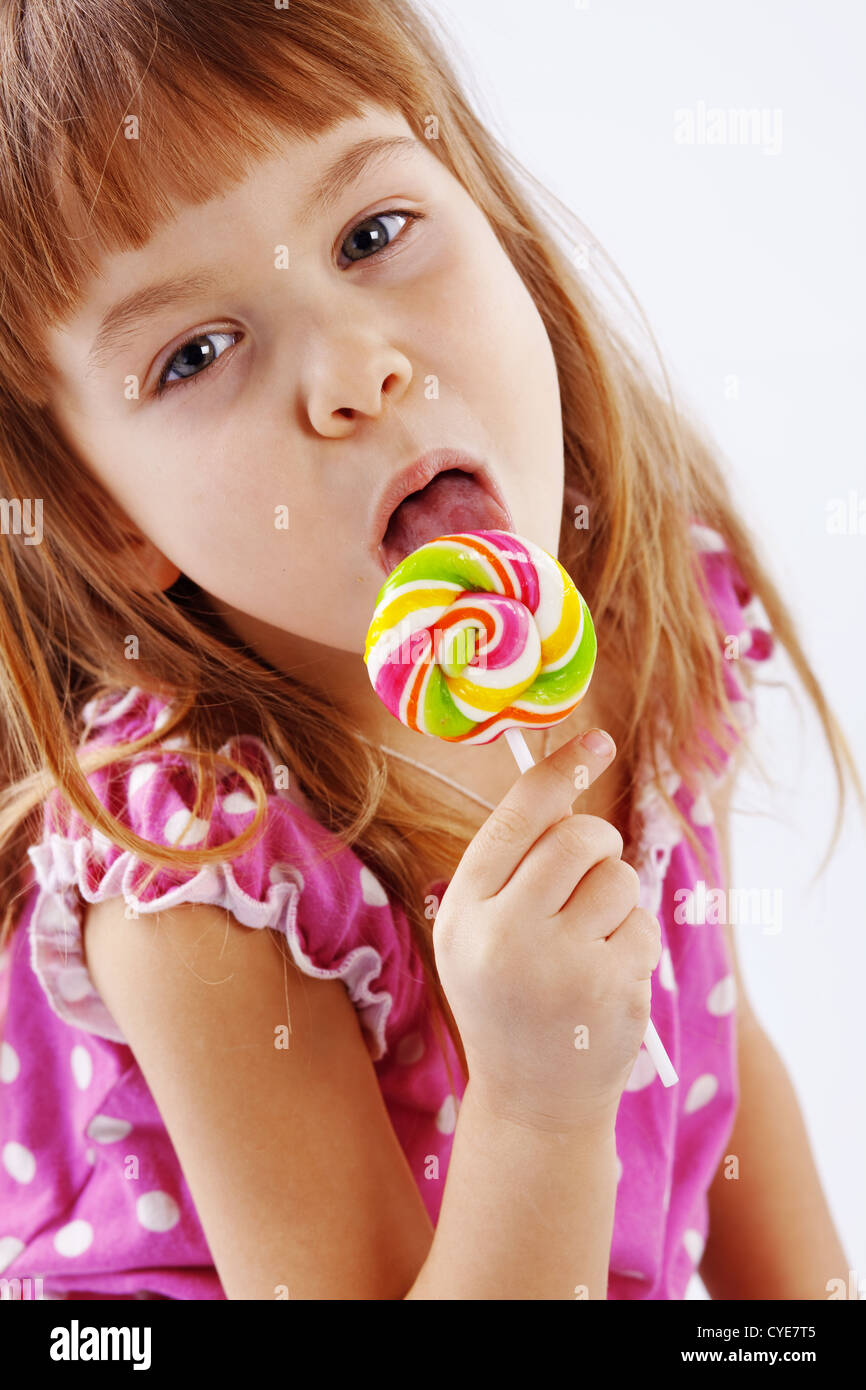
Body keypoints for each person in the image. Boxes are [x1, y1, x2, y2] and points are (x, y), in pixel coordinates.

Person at [0, 0, 859, 1301]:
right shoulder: (201, 885)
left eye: (372, 232)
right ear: (109, 518)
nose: (356, 369)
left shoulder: (646, 615)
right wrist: (536, 1101)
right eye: (197, 352)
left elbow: (715, 1066)